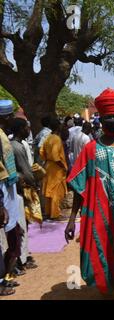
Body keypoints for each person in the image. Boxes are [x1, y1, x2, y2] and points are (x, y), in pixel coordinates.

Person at [64, 89, 114, 297]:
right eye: (107, 117)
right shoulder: (90, 150)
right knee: (106, 254)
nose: (111, 120)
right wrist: (72, 219)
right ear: (101, 120)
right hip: (101, 217)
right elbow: (79, 188)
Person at [10, 118, 40, 272]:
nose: (29, 129)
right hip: (20, 190)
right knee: (21, 224)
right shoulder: (18, 147)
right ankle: (21, 259)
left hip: (18, 188)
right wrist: (35, 183)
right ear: (21, 129)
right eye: (26, 127)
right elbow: (26, 171)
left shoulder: (17, 145)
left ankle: (21, 256)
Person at [0, 100, 23, 288]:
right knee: (8, 234)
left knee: (14, 231)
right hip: (2, 191)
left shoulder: (3, 135)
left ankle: (7, 273)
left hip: (8, 188)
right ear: (6, 118)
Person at [40, 118, 68, 220]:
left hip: (48, 166)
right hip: (56, 169)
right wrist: (63, 166)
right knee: (56, 191)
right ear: (58, 127)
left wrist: (48, 160)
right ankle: (55, 214)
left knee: (49, 190)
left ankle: (48, 212)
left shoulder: (48, 137)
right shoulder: (56, 139)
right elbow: (56, 157)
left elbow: (41, 152)